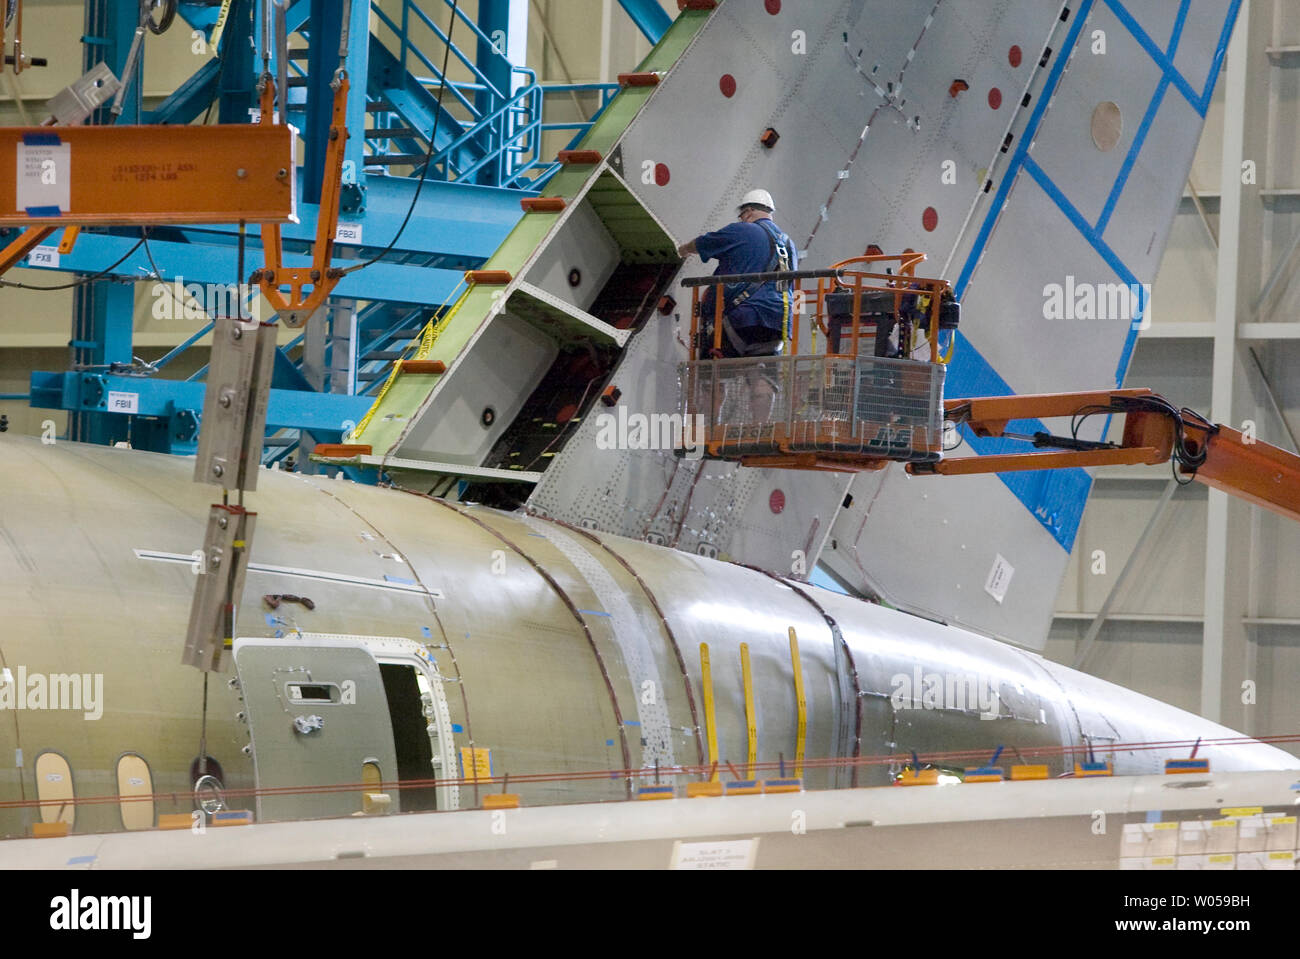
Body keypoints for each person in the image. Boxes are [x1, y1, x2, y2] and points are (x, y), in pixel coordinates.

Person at [678, 190, 797, 427]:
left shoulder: (743, 230)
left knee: (712, 374)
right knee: (762, 375)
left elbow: (703, 243)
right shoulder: (788, 244)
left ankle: (710, 428)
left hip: (738, 317)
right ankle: (759, 428)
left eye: (743, 214)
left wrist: (681, 250)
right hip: (777, 322)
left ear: (749, 211)